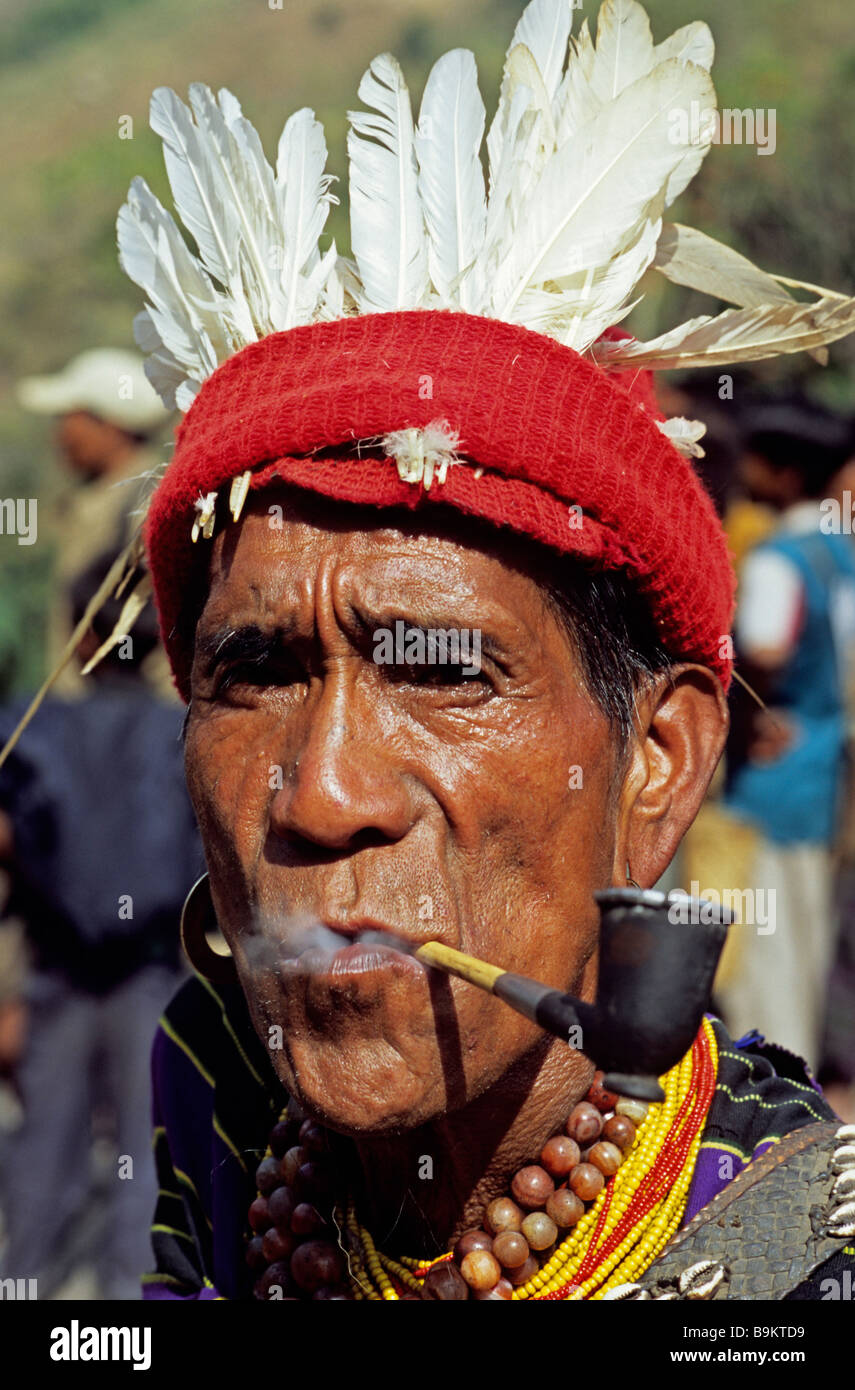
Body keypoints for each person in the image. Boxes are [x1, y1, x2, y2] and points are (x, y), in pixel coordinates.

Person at [32, 0, 855, 1301]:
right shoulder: (213, 1110)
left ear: (652, 764)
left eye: (439, 669)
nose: (321, 794)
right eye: (251, 674)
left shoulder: (795, 1256)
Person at [0, 559, 203, 1298]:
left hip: (66, 977)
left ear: (84, 635)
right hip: (144, 978)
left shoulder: (32, 728)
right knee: (147, 1153)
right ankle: (127, 1314)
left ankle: (26, 1290)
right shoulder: (182, 733)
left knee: (44, 1149)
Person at [719, 404, 855, 1070]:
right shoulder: (841, 556)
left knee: (761, 961)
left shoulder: (776, 560)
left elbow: (765, 649)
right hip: (822, 781)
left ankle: (771, 1111)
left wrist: (743, 709)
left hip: (768, 790)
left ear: (781, 470)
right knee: (804, 947)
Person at [16, 347, 172, 696]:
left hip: (132, 727)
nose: (59, 435)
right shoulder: (92, 500)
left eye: (69, 419)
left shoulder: (151, 503)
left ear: (109, 423)